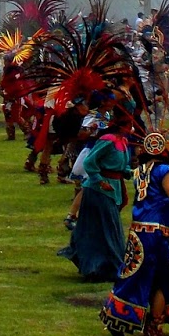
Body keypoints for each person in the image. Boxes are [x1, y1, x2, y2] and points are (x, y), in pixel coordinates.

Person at [100, 130, 169, 336]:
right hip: (155, 234)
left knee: (132, 274)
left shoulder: (140, 170)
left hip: (138, 231)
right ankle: (153, 329)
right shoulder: (164, 170)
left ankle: (118, 317)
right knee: (163, 279)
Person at [58, 111, 133, 282]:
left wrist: (135, 173)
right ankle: (102, 265)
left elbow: (120, 167)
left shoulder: (123, 141)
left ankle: (109, 265)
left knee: (109, 227)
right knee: (104, 228)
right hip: (98, 190)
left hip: (113, 188)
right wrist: (99, 180)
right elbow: (90, 162)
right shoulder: (107, 140)